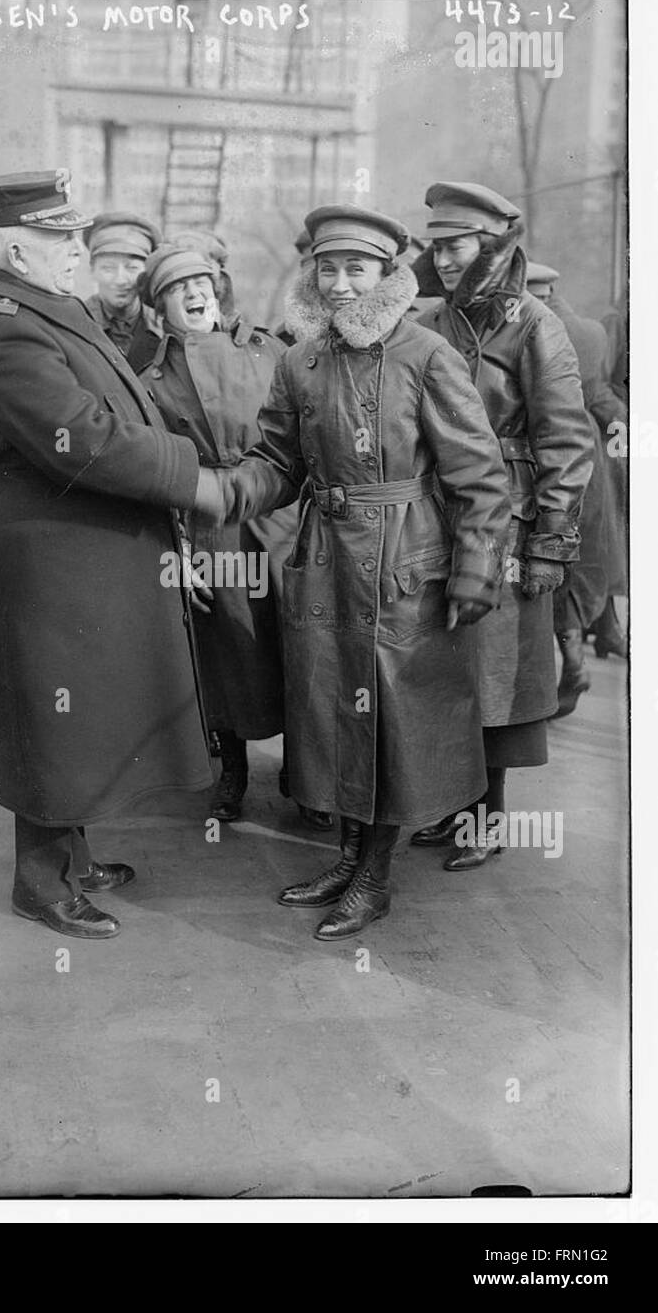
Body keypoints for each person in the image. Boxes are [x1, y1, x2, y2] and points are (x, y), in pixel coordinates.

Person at [221, 204, 510, 940]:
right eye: (328, 267)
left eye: (357, 268)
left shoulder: (422, 354)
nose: (341, 283)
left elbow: (478, 472)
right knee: (327, 713)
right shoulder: (300, 361)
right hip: (323, 561)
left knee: (390, 717)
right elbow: (277, 461)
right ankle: (345, 859)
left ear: (387, 275)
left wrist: (477, 568)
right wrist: (221, 493)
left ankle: (374, 877)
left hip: (403, 561)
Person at [0, 171, 225, 940]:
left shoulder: (41, 304)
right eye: (60, 240)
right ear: (17, 247)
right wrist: (193, 479)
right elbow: (88, 437)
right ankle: (40, 883)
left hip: (77, 544)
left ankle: (71, 861)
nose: (76, 251)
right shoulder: (6, 323)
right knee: (51, 716)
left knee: (78, 716)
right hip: (53, 553)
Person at [410, 183, 593, 867]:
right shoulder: (427, 322)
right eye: (435, 246)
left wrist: (549, 541)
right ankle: (453, 806)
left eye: (455, 245)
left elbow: (565, 438)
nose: (443, 258)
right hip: (435, 513)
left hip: (508, 523)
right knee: (444, 664)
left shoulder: (531, 321)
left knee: (493, 671)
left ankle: (484, 819)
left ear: (490, 245)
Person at [138, 243, 330, 829]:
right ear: (159, 307)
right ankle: (234, 773)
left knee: (300, 644)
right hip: (211, 525)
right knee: (228, 650)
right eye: (178, 288)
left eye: (201, 282)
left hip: (280, 515)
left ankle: (308, 774)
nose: (194, 295)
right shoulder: (148, 379)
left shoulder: (270, 348)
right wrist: (181, 548)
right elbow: (155, 472)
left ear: (218, 287)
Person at [526, 262, 627, 712]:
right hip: (588, 458)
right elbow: (600, 393)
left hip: (541, 452)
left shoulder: (532, 331)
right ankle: (578, 657)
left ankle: (564, 668)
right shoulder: (589, 331)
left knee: (546, 561)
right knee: (579, 557)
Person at [82, 211, 162, 371]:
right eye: (108, 268)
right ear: (92, 270)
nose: (120, 280)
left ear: (146, 273)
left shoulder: (163, 325)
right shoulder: (77, 323)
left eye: (132, 268)